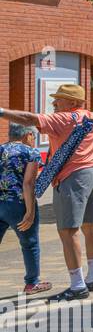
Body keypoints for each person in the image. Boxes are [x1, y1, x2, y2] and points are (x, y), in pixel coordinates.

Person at [0, 85, 93, 301]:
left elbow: (28, 119)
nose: (54, 104)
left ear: (71, 102)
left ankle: (77, 285)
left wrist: (2, 111)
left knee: (68, 231)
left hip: (73, 176)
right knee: (92, 226)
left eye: (59, 99)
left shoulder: (65, 119)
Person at [1, 122, 46, 294]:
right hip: (18, 203)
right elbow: (28, 183)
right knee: (29, 243)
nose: (34, 140)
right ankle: (32, 283)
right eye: (34, 136)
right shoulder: (31, 152)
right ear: (27, 135)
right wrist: (30, 211)